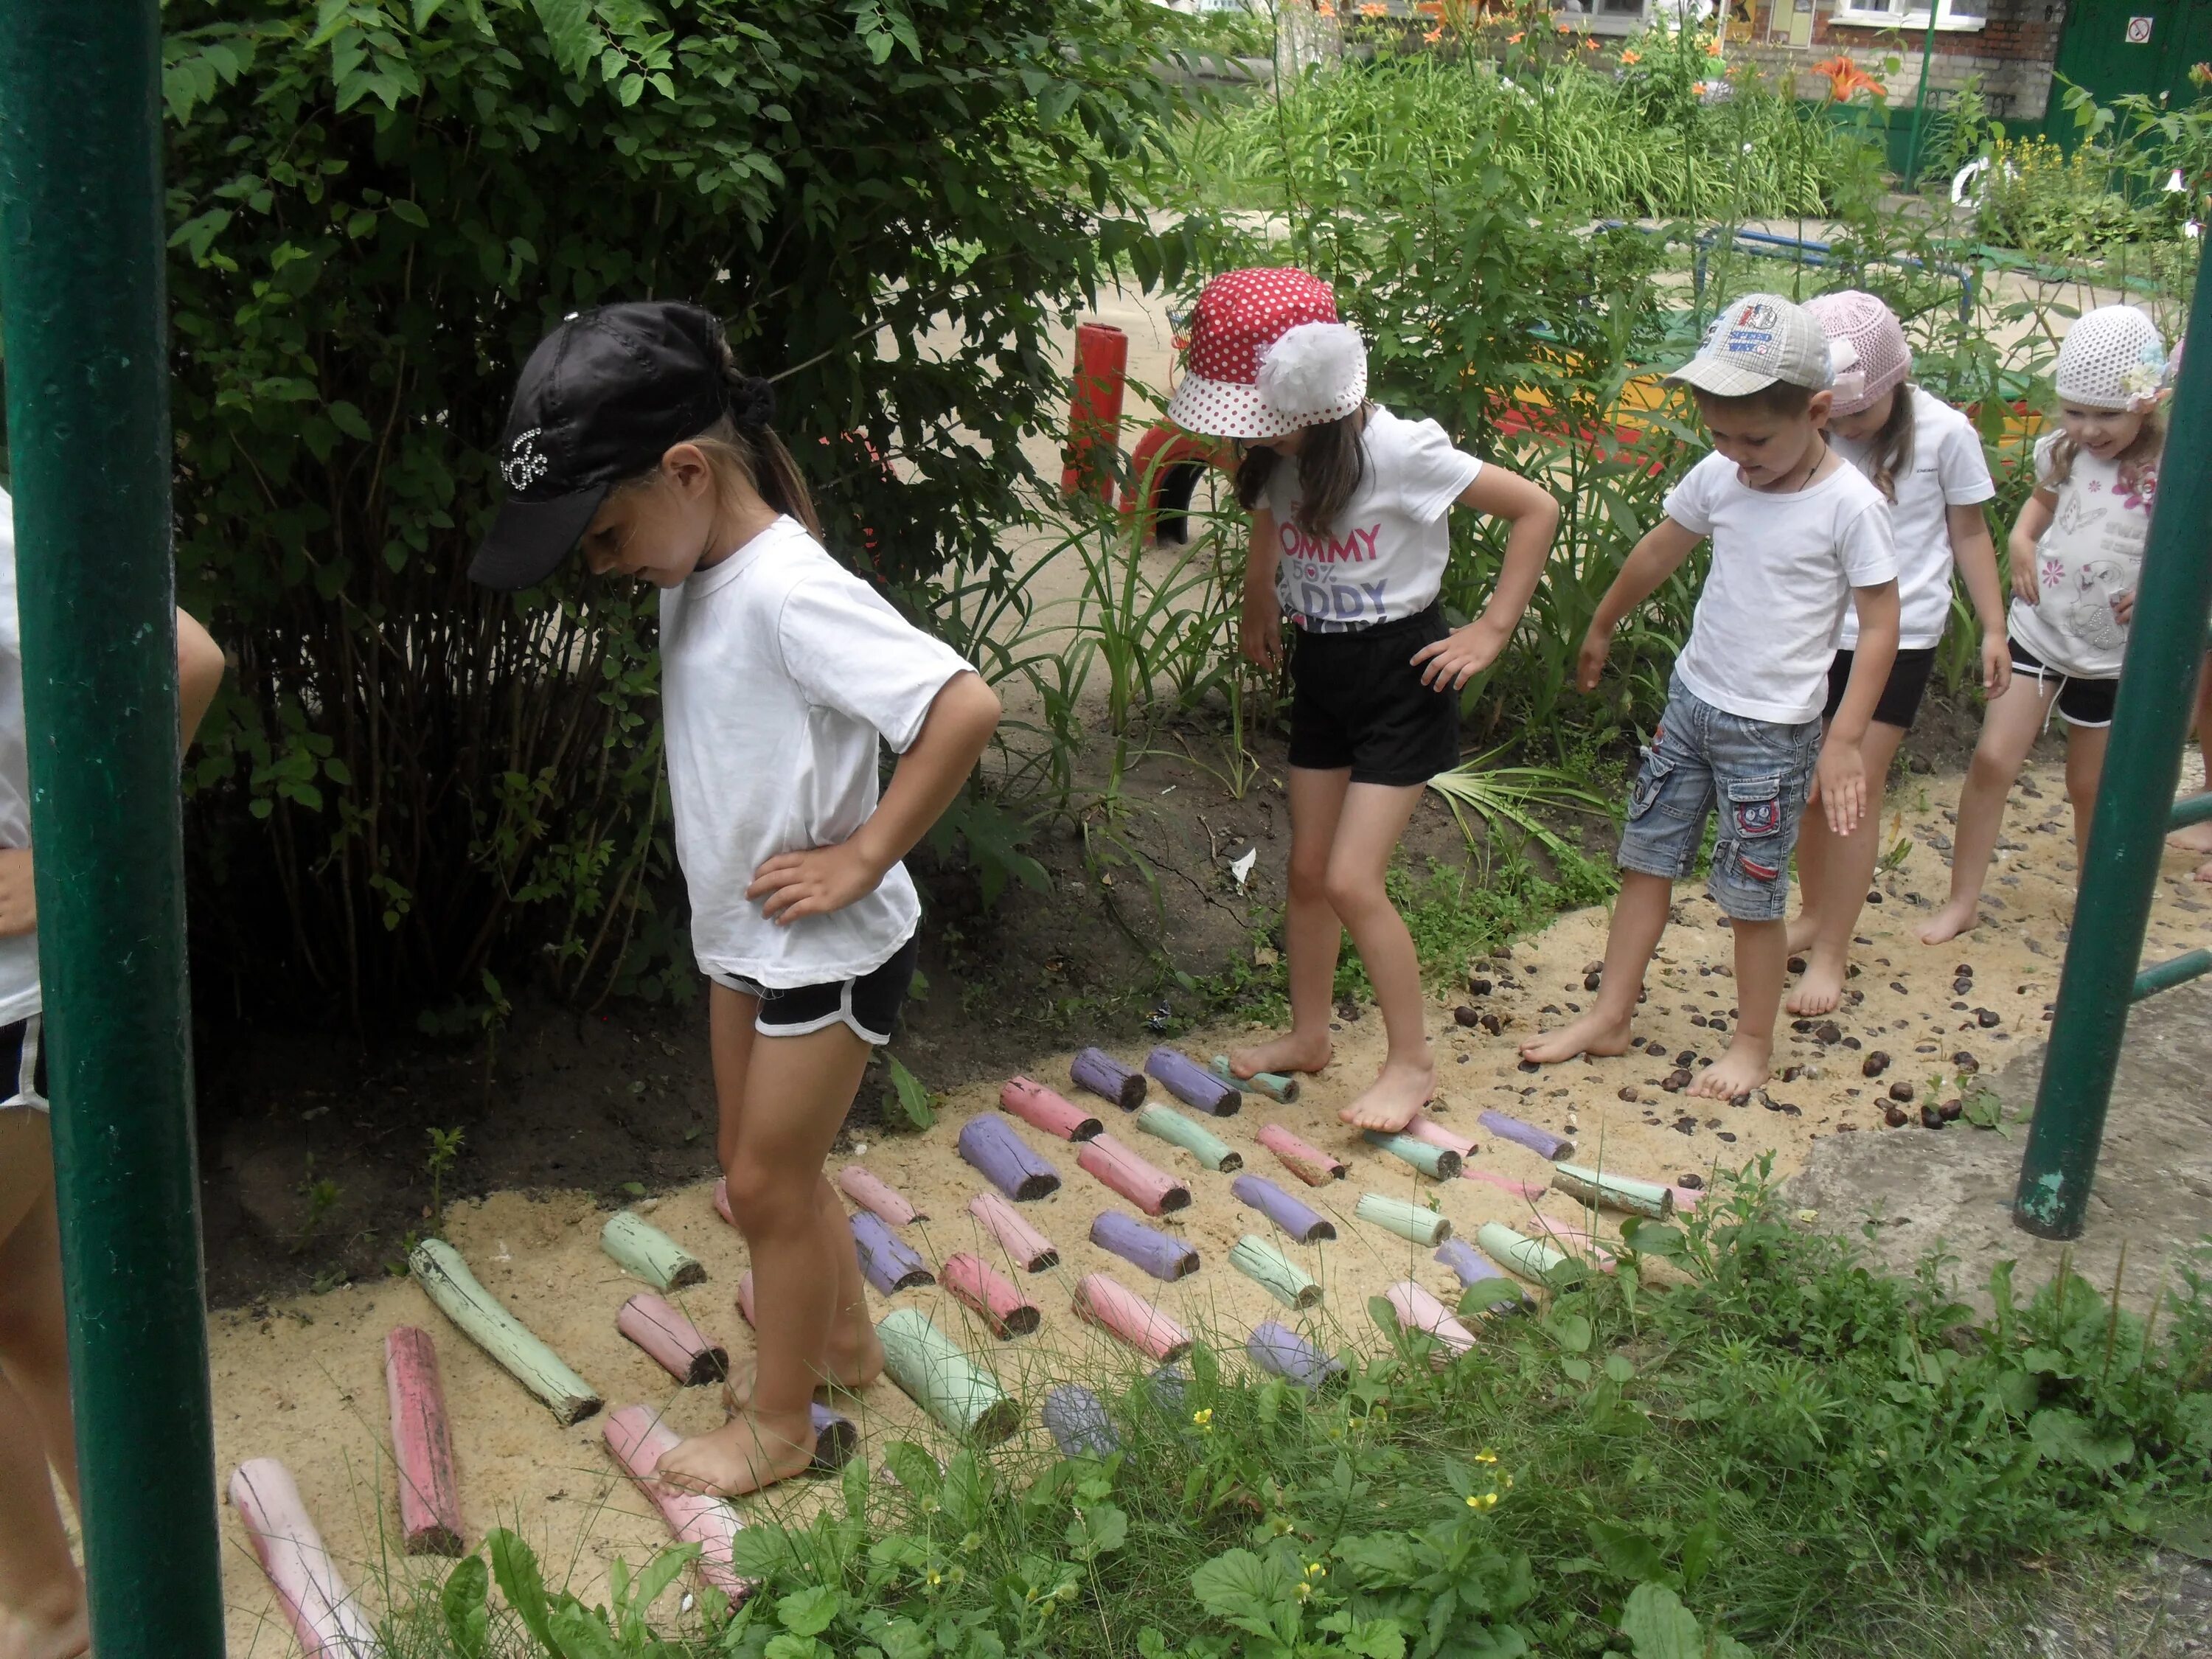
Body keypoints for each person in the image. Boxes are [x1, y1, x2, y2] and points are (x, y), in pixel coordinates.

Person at [469, 302, 998, 1497]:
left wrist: (863, 854)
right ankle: (849, 1343)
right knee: (763, 1168)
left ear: (688, 471)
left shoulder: (783, 592)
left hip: (829, 944)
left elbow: (962, 707)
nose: (602, 568)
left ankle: (780, 1427)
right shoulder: (696, 561)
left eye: (604, 536)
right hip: (747, 935)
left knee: (764, 1185)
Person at [1172, 268, 1561, 1133]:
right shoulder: (1286, 452)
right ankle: (1310, 1036)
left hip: (1403, 674)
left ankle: (1411, 1063)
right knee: (1308, 872)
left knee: (1352, 878)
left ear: (1309, 402)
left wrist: (1492, 630)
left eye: (1261, 425)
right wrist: (1260, 596)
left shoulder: (1401, 450)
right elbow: (1272, 517)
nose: (1256, 442)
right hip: (1324, 668)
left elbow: (1536, 509)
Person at [1522, 293, 1900, 1100]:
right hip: (1692, 703)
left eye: (1756, 437)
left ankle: (1752, 1043)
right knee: (1644, 861)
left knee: (1751, 899)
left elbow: (1878, 629)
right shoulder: (1723, 476)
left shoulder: (1851, 507)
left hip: (1773, 734)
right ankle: (1611, 1013)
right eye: (1720, 434)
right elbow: (1663, 546)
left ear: (1819, 411)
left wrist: (1843, 739)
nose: (1736, 453)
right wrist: (1603, 621)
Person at [0, 482, 226, 1659]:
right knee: (28, 1306)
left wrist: (71, 848)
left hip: (8, 997)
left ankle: (51, 1607)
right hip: (23, 998)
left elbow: (183, 662)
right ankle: (140, 1575)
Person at [1784, 291, 2004, 1015]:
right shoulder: (1814, 428)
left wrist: (1995, 628)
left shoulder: (1944, 434)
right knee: (1812, 788)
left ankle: (1832, 952)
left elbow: (1969, 534)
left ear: (1895, 386)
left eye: (1857, 415)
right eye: (1831, 414)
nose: (1842, 428)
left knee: (1852, 790)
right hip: (1818, 630)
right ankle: (1815, 910)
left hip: (1897, 637)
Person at [1920, 305, 2168, 944]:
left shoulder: (2170, 467)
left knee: (2090, 784)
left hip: (2114, 655)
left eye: (2106, 413)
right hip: (2040, 632)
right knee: (1993, 760)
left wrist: (2156, 587)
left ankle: (2094, 903)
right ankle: (1963, 898)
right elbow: (2039, 505)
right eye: (2075, 410)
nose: (2088, 429)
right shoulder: (2063, 451)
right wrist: (2024, 542)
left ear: (2149, 401)